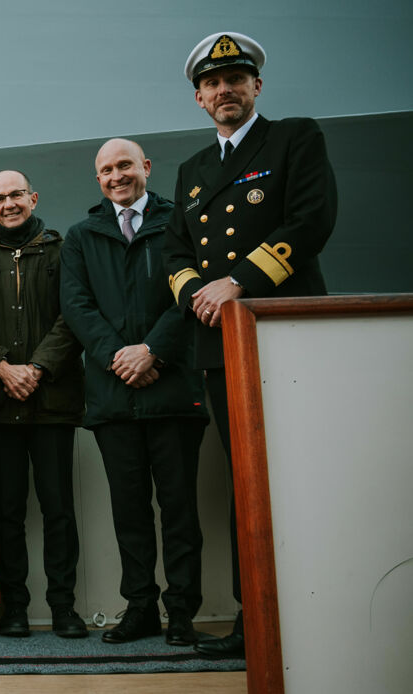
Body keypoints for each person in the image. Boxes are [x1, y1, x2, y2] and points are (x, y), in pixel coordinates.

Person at [163, 32, 337, 658]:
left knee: (302, 475)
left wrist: (237, 283)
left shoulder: (294, 138)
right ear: (199, 99)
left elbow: (311, 220)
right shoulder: (191, 172)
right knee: (245, 480)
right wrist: (199, 296)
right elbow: (177, 255)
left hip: (285, 332)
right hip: (219, 349)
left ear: (256, 87)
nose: (224, 90)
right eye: (211, 83)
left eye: (235, 79)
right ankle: (252, 616)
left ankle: (321, 603)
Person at [62, 138, 211, 647]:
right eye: (106, 170)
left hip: (173, 392)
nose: (116, 175)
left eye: (124, 165)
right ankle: (141, 608)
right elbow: (77, 307)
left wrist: (152, 350)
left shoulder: (182, 222)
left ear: (146, 167)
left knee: (179, 509)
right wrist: (120, 357)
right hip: (112, 399)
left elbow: (194, 295)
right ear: (97, 179)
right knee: (129, 512)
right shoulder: (81, 236)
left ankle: (184, 613)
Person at [0, 170, 87, 639]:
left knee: (59, 510)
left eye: (16, 194)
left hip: (53, 402)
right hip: (0, 409)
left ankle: (64, 608)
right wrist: (2, 367)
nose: (9, 203)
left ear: (33, 197)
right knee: (7, 513)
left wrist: (35, 369)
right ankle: (13, 608)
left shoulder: (65, 254)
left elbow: (73, 316)